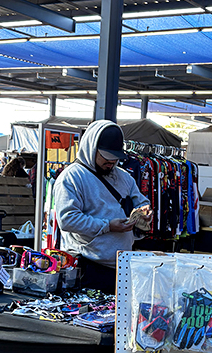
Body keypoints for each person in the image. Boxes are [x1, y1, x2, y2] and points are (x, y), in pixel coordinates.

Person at [54, 120, 152, 294]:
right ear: (92, 149)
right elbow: (67, 219)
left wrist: (144, 213)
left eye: (115, 158)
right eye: (106, 157)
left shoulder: (124, 177)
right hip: (90, 267)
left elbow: (141, 201)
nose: (112, 162)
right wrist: (108, 226)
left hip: (122, 265)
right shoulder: (71, 178)